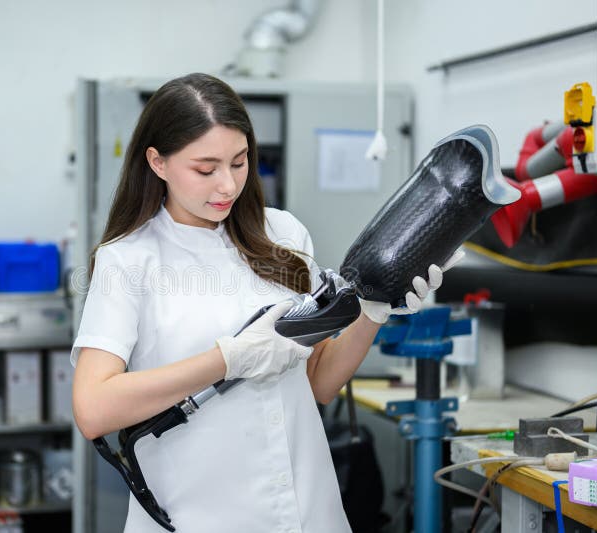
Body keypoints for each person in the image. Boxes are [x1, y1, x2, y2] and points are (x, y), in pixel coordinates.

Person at [71, 73, 450, 533]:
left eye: (239, 161)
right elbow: (94, 409)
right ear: (158, 162)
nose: (228, 186)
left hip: (308, 511)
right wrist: (229, 359)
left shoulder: (284, 234)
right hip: (199, 516)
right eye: (206, 169)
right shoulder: (128, 260)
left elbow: (318, 381)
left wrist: (374, 312)